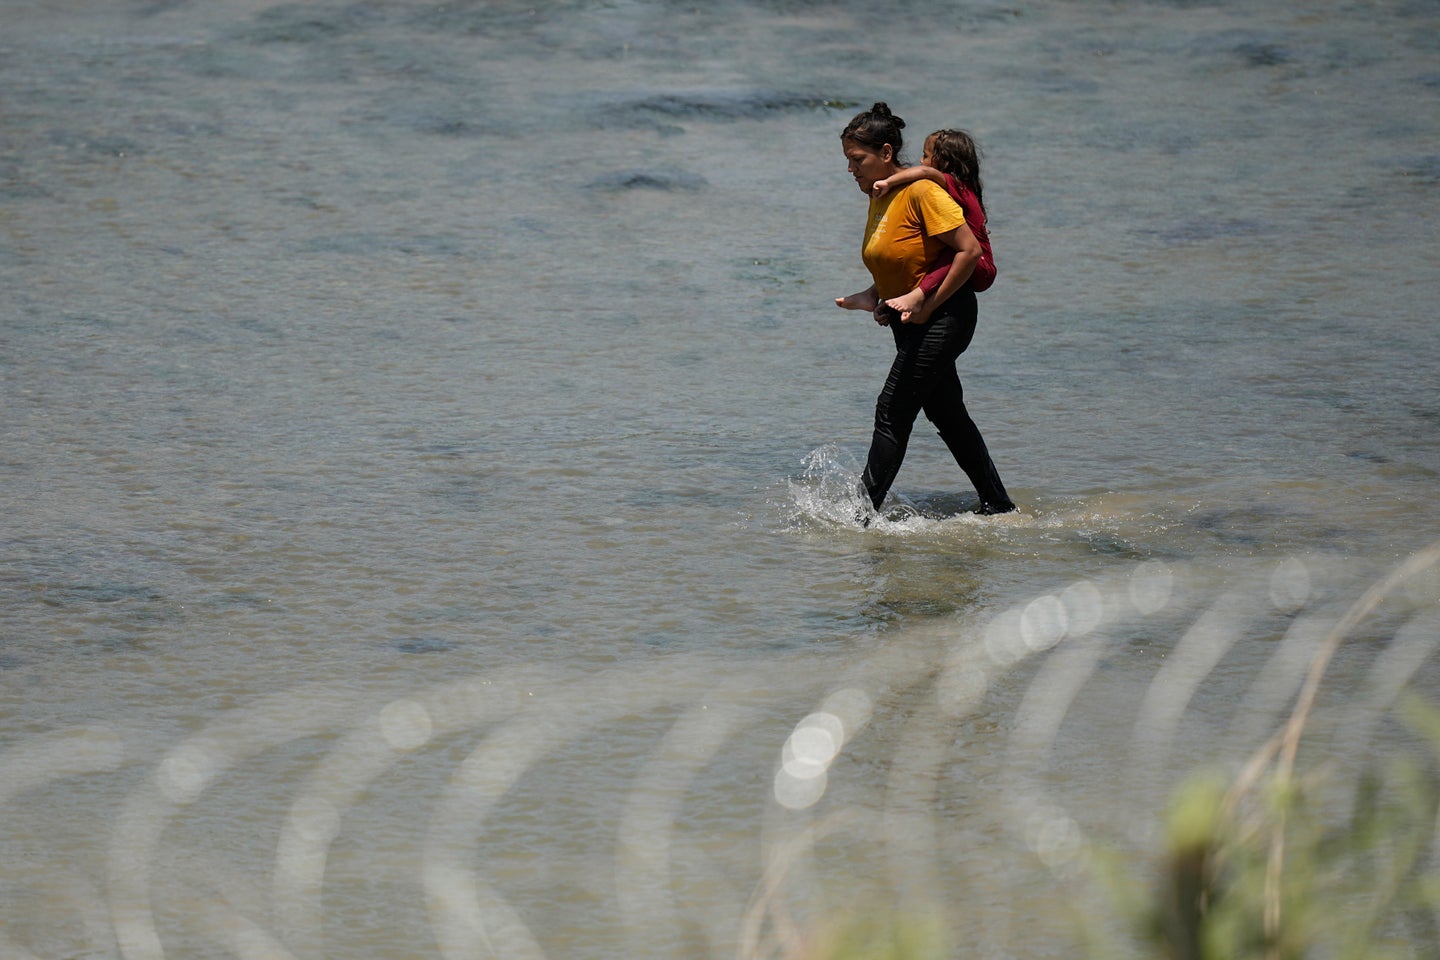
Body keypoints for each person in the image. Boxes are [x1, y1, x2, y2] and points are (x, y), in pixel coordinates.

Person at [834, 102, 1015, 519]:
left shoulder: (922, 191)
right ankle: (999, 506)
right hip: (912, 322)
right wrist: (882, 299)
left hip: (945, 317)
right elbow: (908, 261)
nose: (851, 170)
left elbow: (968, 253)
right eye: (847, 161)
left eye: (857, 160)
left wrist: (927, 301)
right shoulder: (882, 196)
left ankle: (861, 516)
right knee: (948, 415)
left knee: (892, 409)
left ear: (884, 153)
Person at [871, 128, 996, 323]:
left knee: (954, 250)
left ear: (944, 162)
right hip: (980, 265)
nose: (921, 160)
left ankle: (919, 295)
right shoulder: (961, 189)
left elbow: (925, 172)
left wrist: (888, 182)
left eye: (926, 155)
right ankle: (884, 296)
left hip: (982, 266)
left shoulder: (954, 183)